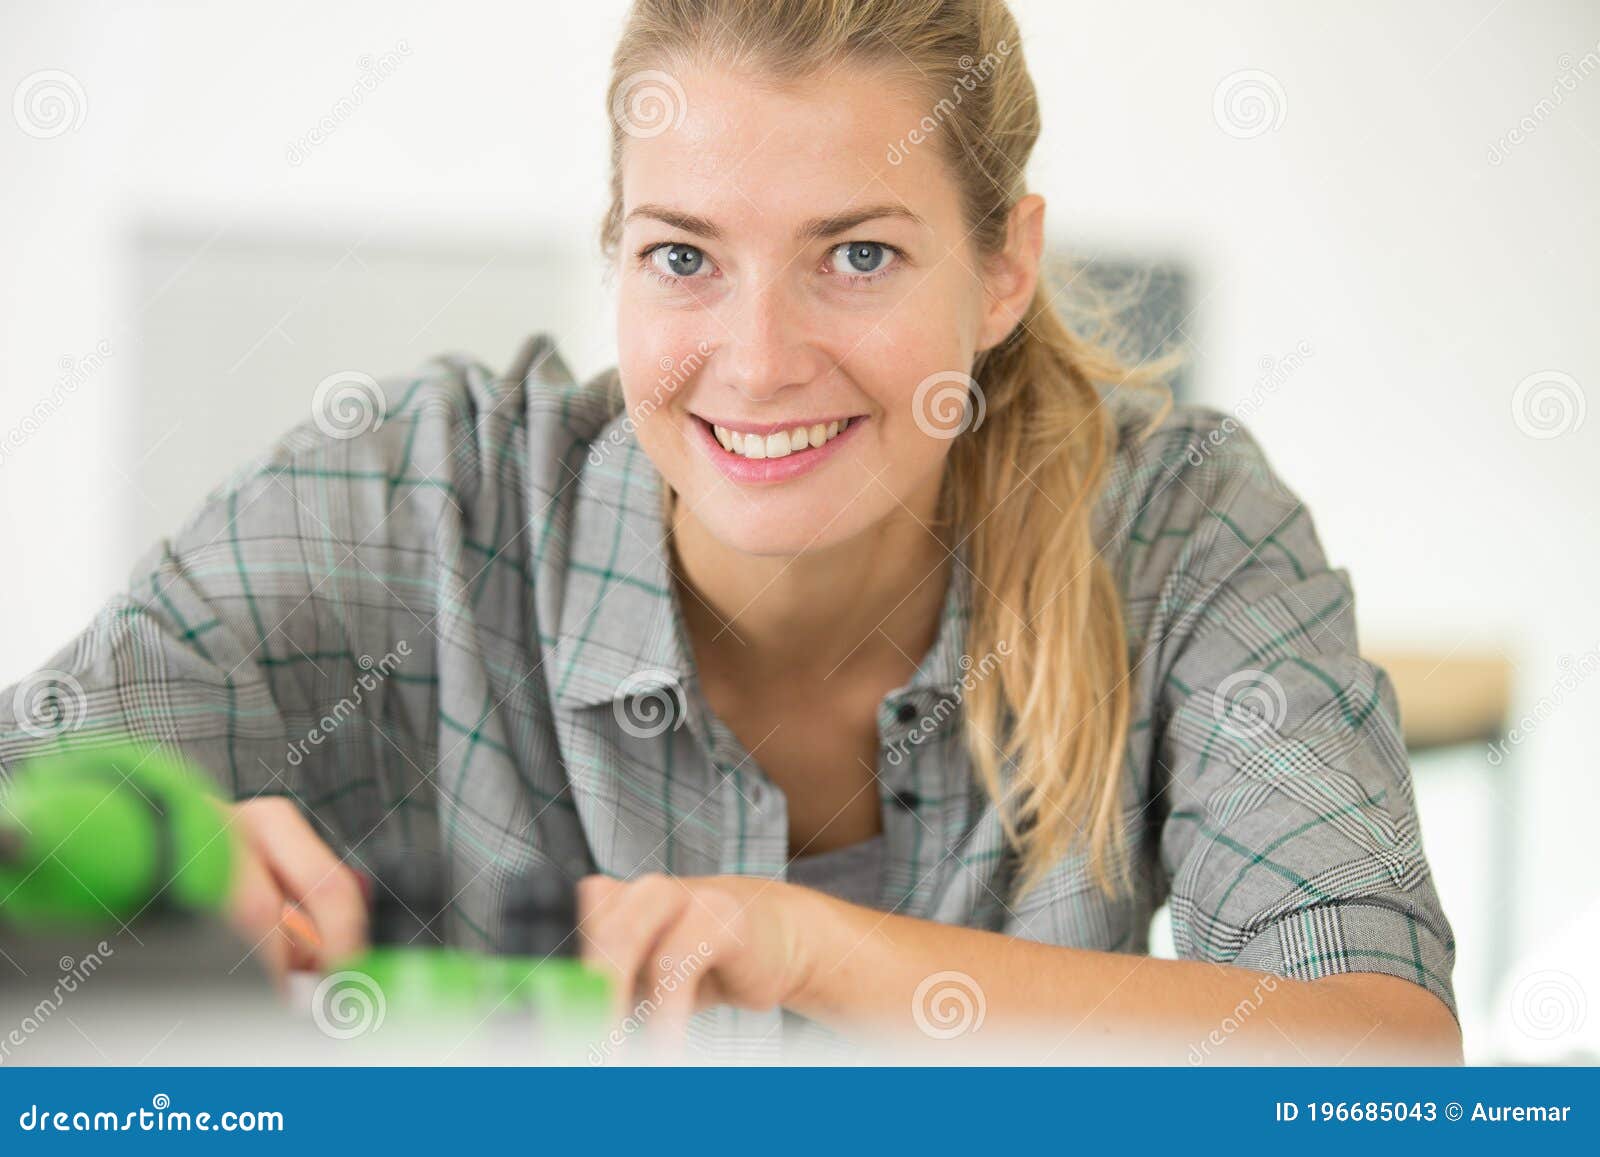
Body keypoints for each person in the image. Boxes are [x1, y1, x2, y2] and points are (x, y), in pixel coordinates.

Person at [0, 0, 1458, 1063]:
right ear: (617, 253)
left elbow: (1381, 1062)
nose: (757, 364)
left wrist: (807, 947)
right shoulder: (412, 502)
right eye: (684, 256)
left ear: (1006, 267)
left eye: (860, 254)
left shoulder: (1180, 529)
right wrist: (144, 853)